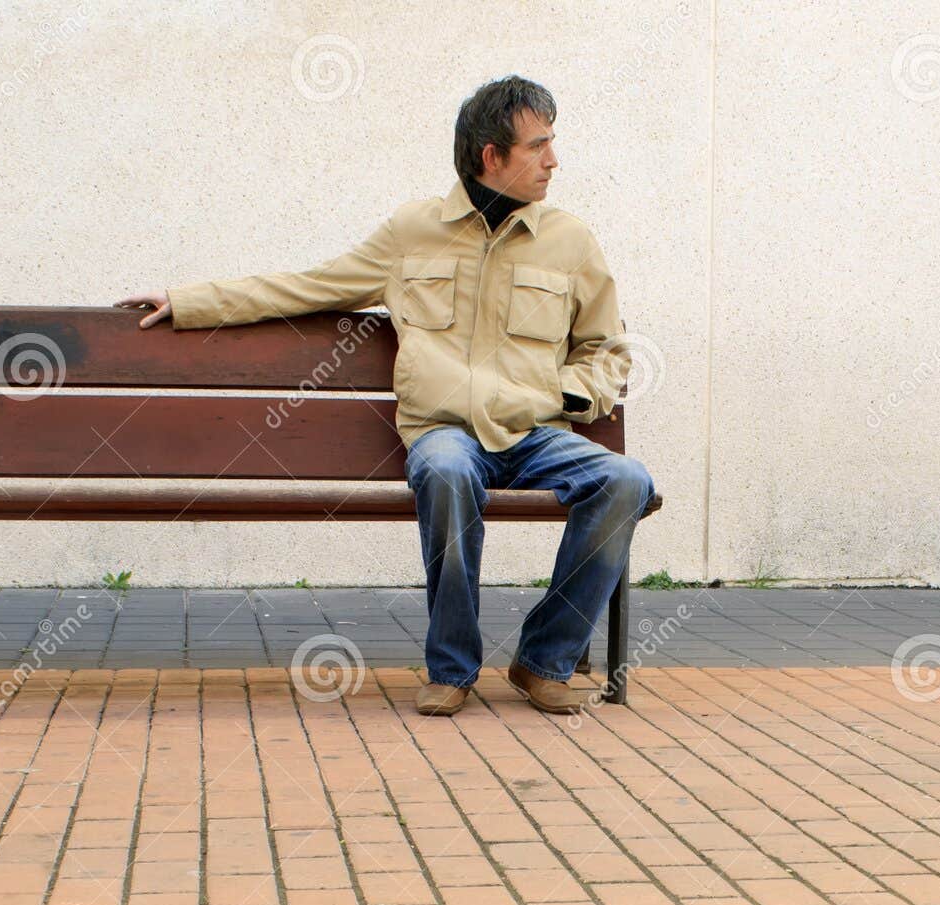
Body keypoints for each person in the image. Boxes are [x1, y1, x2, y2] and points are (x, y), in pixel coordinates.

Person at [116, 74, 657, 716]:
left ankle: (544, 659)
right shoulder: (412, 233)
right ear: (492, 156)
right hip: (447, 431)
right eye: (538, 146)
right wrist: (189, 302)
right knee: (447, 468)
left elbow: (607, 349)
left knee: (626, 480)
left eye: (552, 143)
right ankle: (452, 667)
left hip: (537, 435)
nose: (553, 160)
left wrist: (568, 395)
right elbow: (307, 287)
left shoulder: (570, 241)